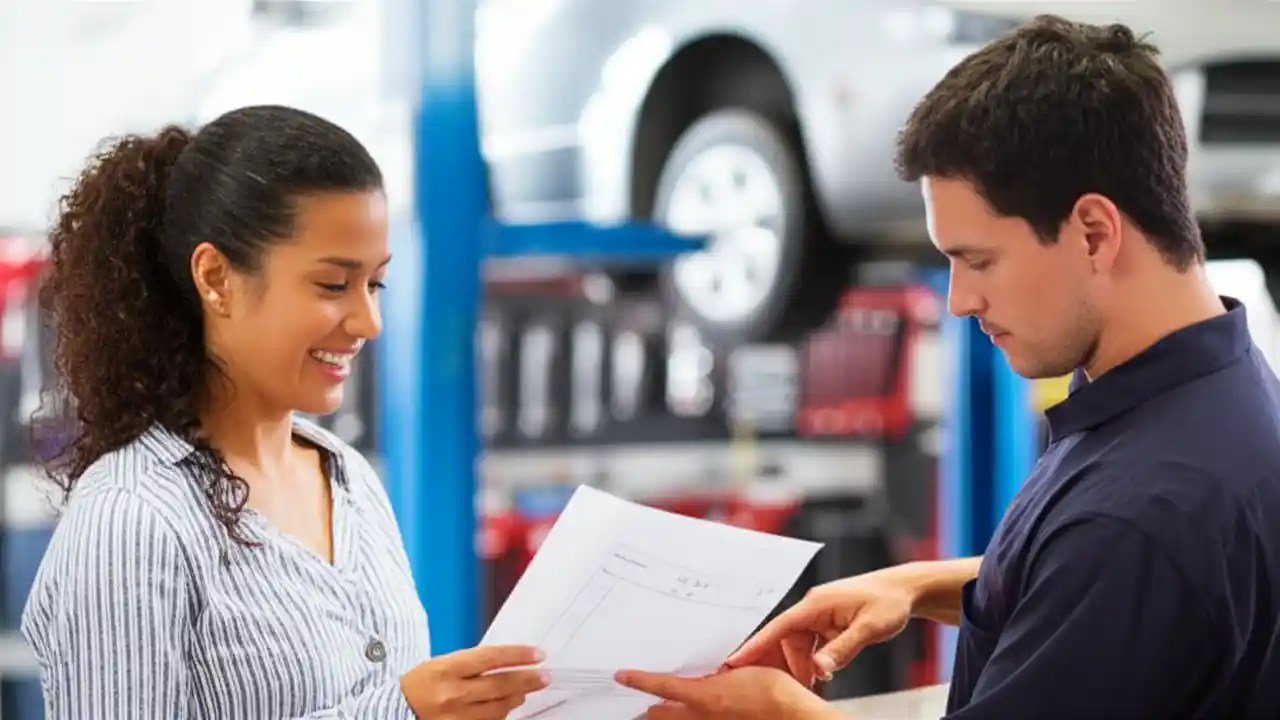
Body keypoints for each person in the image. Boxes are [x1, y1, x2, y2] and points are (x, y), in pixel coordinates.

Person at [616, 14, 1280, 719]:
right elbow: (1108, 598)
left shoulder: (1137, 515)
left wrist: (784, 714)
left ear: (1093, 233)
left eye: (979, 260)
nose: (960, 300)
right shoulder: (1215, 393)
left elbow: (1113, 564)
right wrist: (919, 586)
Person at [21, 105, 547, 719]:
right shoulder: (132, 519)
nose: (368, 322)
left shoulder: (350, 481)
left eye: (374, 285)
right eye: (333, 285)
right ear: (216, 278)